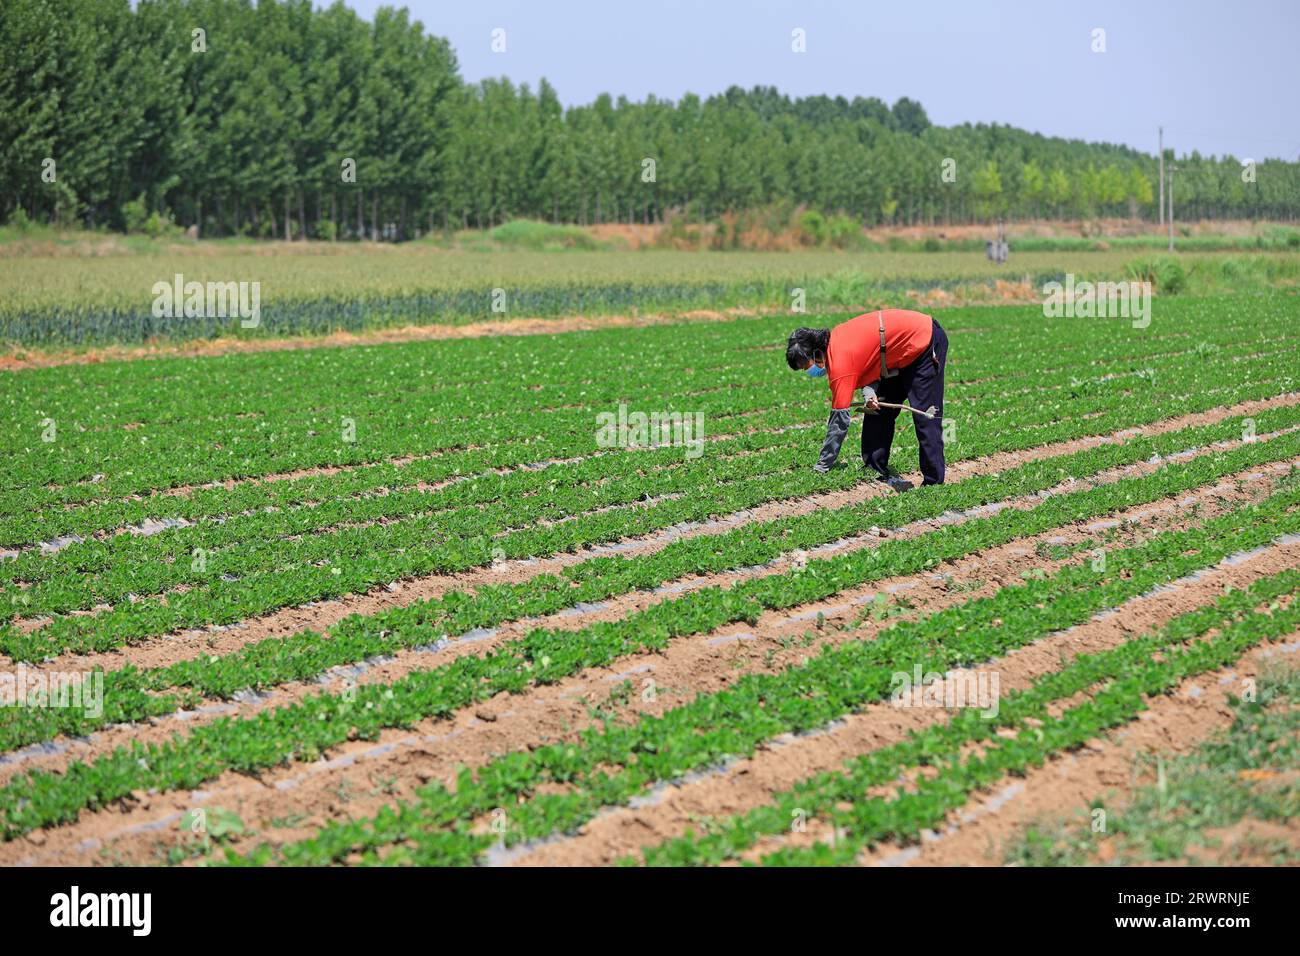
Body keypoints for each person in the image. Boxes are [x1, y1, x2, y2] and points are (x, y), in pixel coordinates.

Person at [785, 308, 948, 485]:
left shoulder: (840, 363)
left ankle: (933, 483)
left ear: (816, 352)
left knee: (925, 415)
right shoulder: (836, 341)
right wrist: (870, 395)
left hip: (923, 341)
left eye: (805, 365)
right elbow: (870, 364)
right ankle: (874, 468)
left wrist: (822, 466)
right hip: (898, 352)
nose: (807, 371)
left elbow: (839, 422)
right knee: (879, 409)